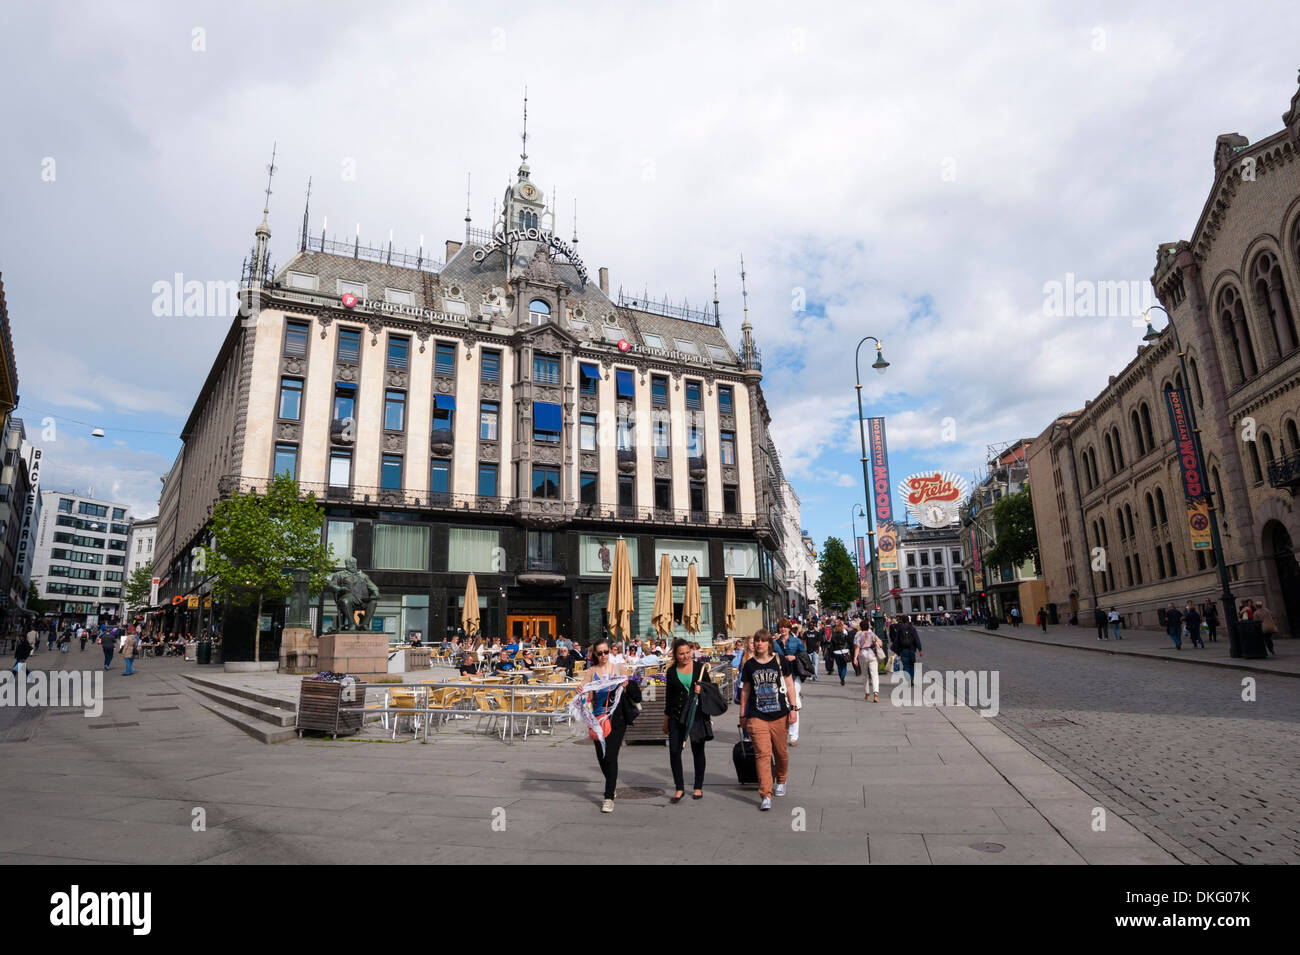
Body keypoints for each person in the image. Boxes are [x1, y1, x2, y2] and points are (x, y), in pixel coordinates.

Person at [738, 629, 796, 811]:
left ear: (769, 643)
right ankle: (766, 794)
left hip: (779, 714)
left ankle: (781, 779)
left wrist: (793, 708)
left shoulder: (780, 661)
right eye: (756, 641)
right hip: (757, 715)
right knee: (762, 754)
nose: (759, 644)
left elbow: (789, 684)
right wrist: (742, 714)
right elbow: (745, 690)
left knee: (781, 752)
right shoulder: (749, 666)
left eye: (762, 641)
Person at [662, 637, 713, 802]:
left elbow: (711, 691)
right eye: (681, 654)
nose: (685, 656)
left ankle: (698, 786)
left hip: (696, 715)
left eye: (687, 653)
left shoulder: (700, 668)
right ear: (675, 655)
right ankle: (679, 788)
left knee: (698, 750)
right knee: (674, 752)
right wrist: (665, 719)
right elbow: (669, 698)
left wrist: (702, 689)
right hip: (676, 716)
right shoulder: (671, 672)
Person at [584, 637, 628, 813]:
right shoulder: (591, 671)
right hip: (597, 719)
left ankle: (608, 797)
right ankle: (612, 780)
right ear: (595, 654)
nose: (603, 655)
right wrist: (580, 690)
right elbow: (583, 688)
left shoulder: (618, 668)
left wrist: (625, 684)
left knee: (610, 756)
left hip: (616, 718)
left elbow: (628, 686)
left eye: (606, 652)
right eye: (600, 653)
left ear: (610, 651)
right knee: (602, 758)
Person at [775, 621, 806, 745]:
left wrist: (795, 657)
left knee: (794, 702)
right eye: (780, 627)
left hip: (794, 675)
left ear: (789, 628)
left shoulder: (796, 641)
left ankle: (794, 736)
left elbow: (804, 656)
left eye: (785, 627)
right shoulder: (774, 643)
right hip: (780, 677)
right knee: (783, 704)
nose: (783, 629)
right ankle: (783, 732)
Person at [853, 622, 884, 703]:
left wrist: (855, 658)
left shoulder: (858, 635)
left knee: (864, 675)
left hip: (862, 655)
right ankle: (876, 693)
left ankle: (867, 693)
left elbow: (857, 647)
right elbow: (880, 643)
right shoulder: (872, 634)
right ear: (868, 627)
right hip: (872, 654)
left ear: (860, 627)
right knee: (874, 674)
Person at [891, 614, 922, 682]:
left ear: (902, 621)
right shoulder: (912, 628)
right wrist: (920, 650)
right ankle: (912, 678)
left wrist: (896, 651)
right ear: (908, 620)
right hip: (912, 650)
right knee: (912, 665)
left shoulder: (900, 629)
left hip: (903, 650)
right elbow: (916, 639)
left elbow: (896, 641)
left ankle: (908, 678)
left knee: (906, 665)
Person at [828, 620, 853, 685]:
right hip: (844, 651)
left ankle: (841, 677)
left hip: (836, 652)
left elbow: (831, 646)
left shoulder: (833, 636)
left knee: (839, 666)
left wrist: (830, 655)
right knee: (844, 666)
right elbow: (848, 644)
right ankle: (843, 676)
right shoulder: (844, 635)